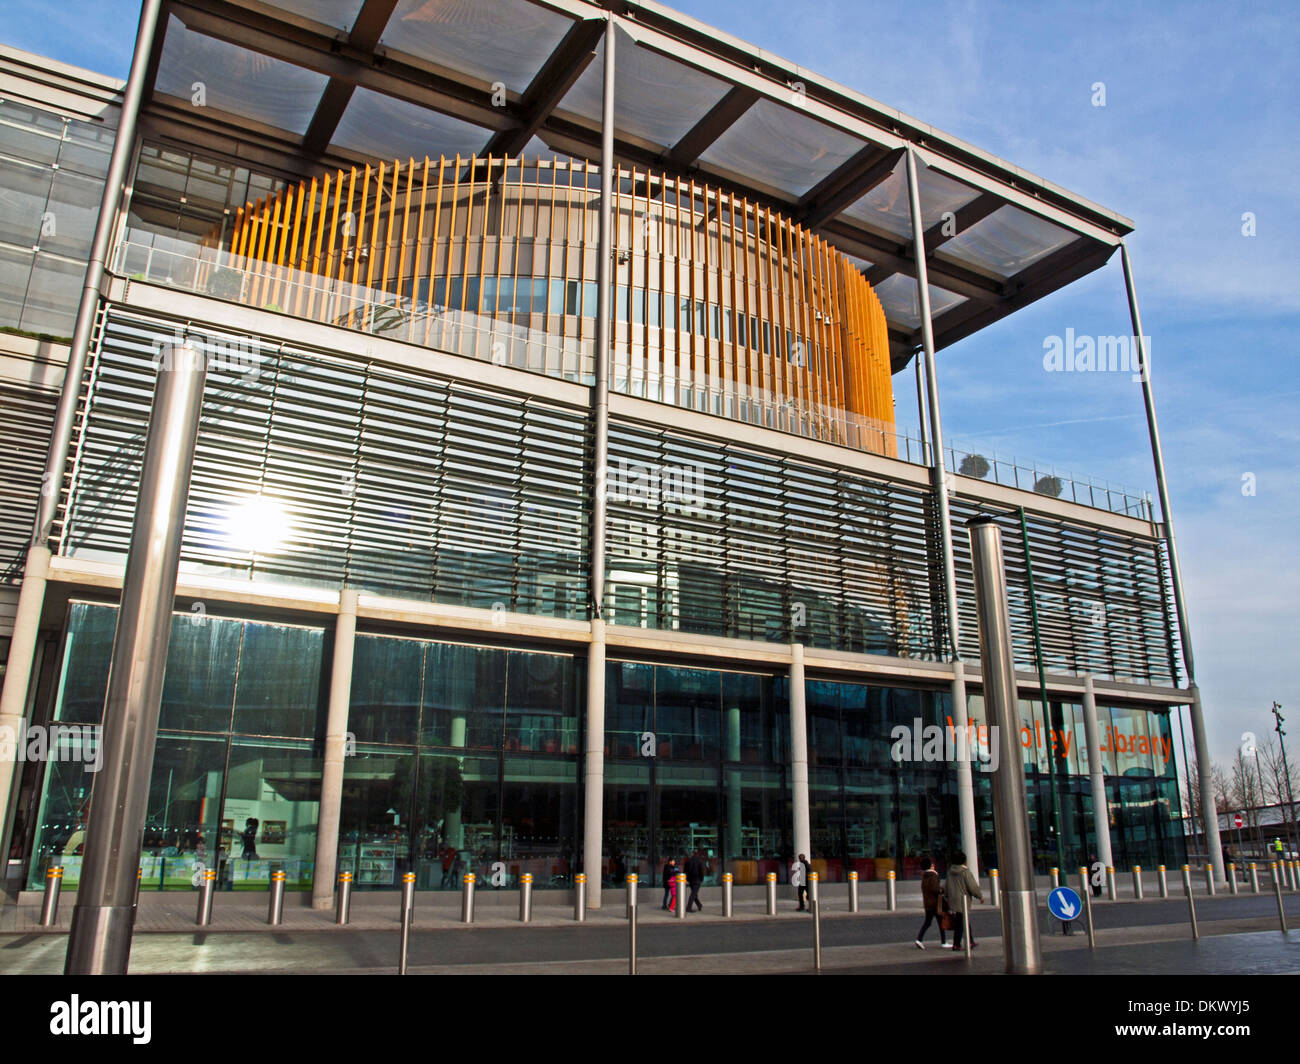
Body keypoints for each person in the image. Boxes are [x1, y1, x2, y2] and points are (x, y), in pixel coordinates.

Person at [944, 851, 983, 951]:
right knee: (960, 923)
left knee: (962, 920)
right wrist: (979, 896)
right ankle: (957, 944)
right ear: (964, 861)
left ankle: (970, 941)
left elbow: (946, 886)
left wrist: (947, 897)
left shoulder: (949, 872)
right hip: (963, 900)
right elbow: (972, 886)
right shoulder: (965, 872)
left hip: (953, 900)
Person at [914, 857, 946, 949]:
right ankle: (943, 942)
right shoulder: (933, 875)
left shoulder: (924, 876)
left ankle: (919, 939)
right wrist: (942, 890)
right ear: (930, 866)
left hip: (928, 903)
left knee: (928, 922)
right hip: (935, 903)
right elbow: (935, 889)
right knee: (941, 923)